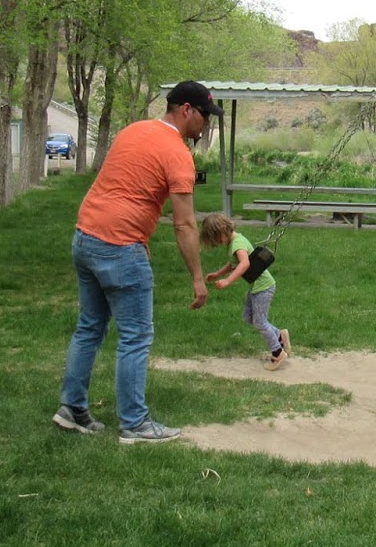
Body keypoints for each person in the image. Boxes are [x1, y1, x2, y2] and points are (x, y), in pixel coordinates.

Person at [54, 80, 224, 443]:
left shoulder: (134, 130)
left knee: (89, 326)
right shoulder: (178, 154)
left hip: (85, 235)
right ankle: (134, 423)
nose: (206, 124)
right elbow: (184, 223)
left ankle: (72, 409)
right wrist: (197, 277)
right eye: (205, 116)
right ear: (186, 110)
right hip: (120, 245)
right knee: (135, 336)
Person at [200, 212, 292, 369]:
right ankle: (279, 336)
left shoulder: (237, 243)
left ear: (222, 230)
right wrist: (218, 274)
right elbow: (232, 264)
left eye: (217, 239)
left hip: (263, 287)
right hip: (256, 287)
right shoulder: (233, 242)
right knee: (249, 317)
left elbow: (244, 264)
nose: (218, 243)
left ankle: (278, 353)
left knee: (260, 322)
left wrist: (228, 280)